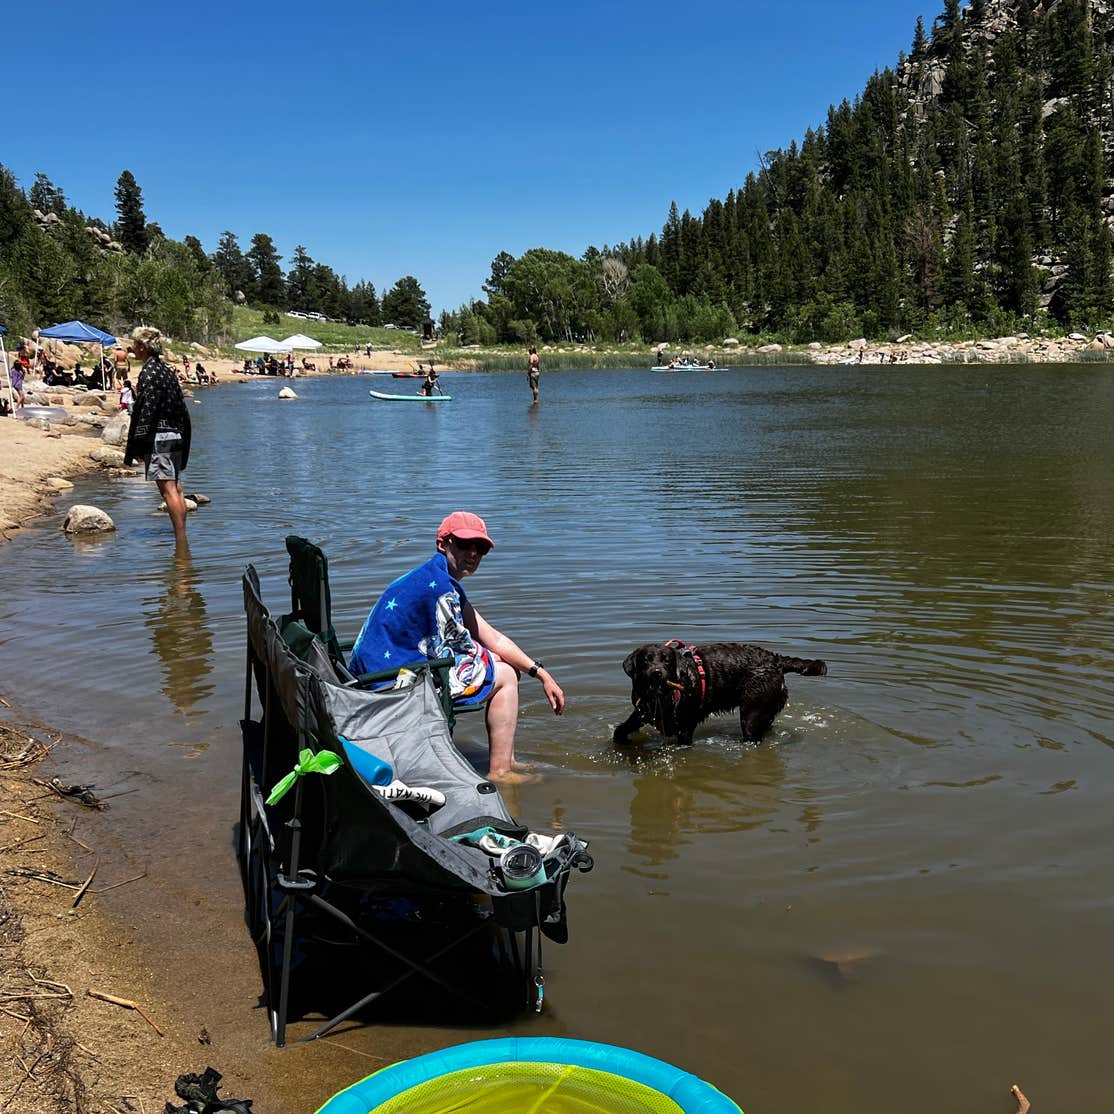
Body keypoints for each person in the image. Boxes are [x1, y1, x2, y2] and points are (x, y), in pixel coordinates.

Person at [348, 512, 564, 782]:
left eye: (481, 548)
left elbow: (491, 637)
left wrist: (541, 673)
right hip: (392, 683)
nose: (473, 553)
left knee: (499, 662)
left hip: (377, 670)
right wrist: (498, 661)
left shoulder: (432, 576)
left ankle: (506, 758)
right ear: (443, 543)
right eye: (464, 544)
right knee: (506, 675)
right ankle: (501, 771)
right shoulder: (440, 588)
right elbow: (462, 646)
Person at [123, 326, 192, 542]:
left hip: (159, 438)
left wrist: (138, 444)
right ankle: (182, 538)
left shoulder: (149, 372)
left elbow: (147, 411)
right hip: (175, 435)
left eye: (134, 344)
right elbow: (182, 408)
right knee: (176, 488)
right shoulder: (166, 371)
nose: (132, 348)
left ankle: (181, 544)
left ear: (142, 347)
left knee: (168, 490)